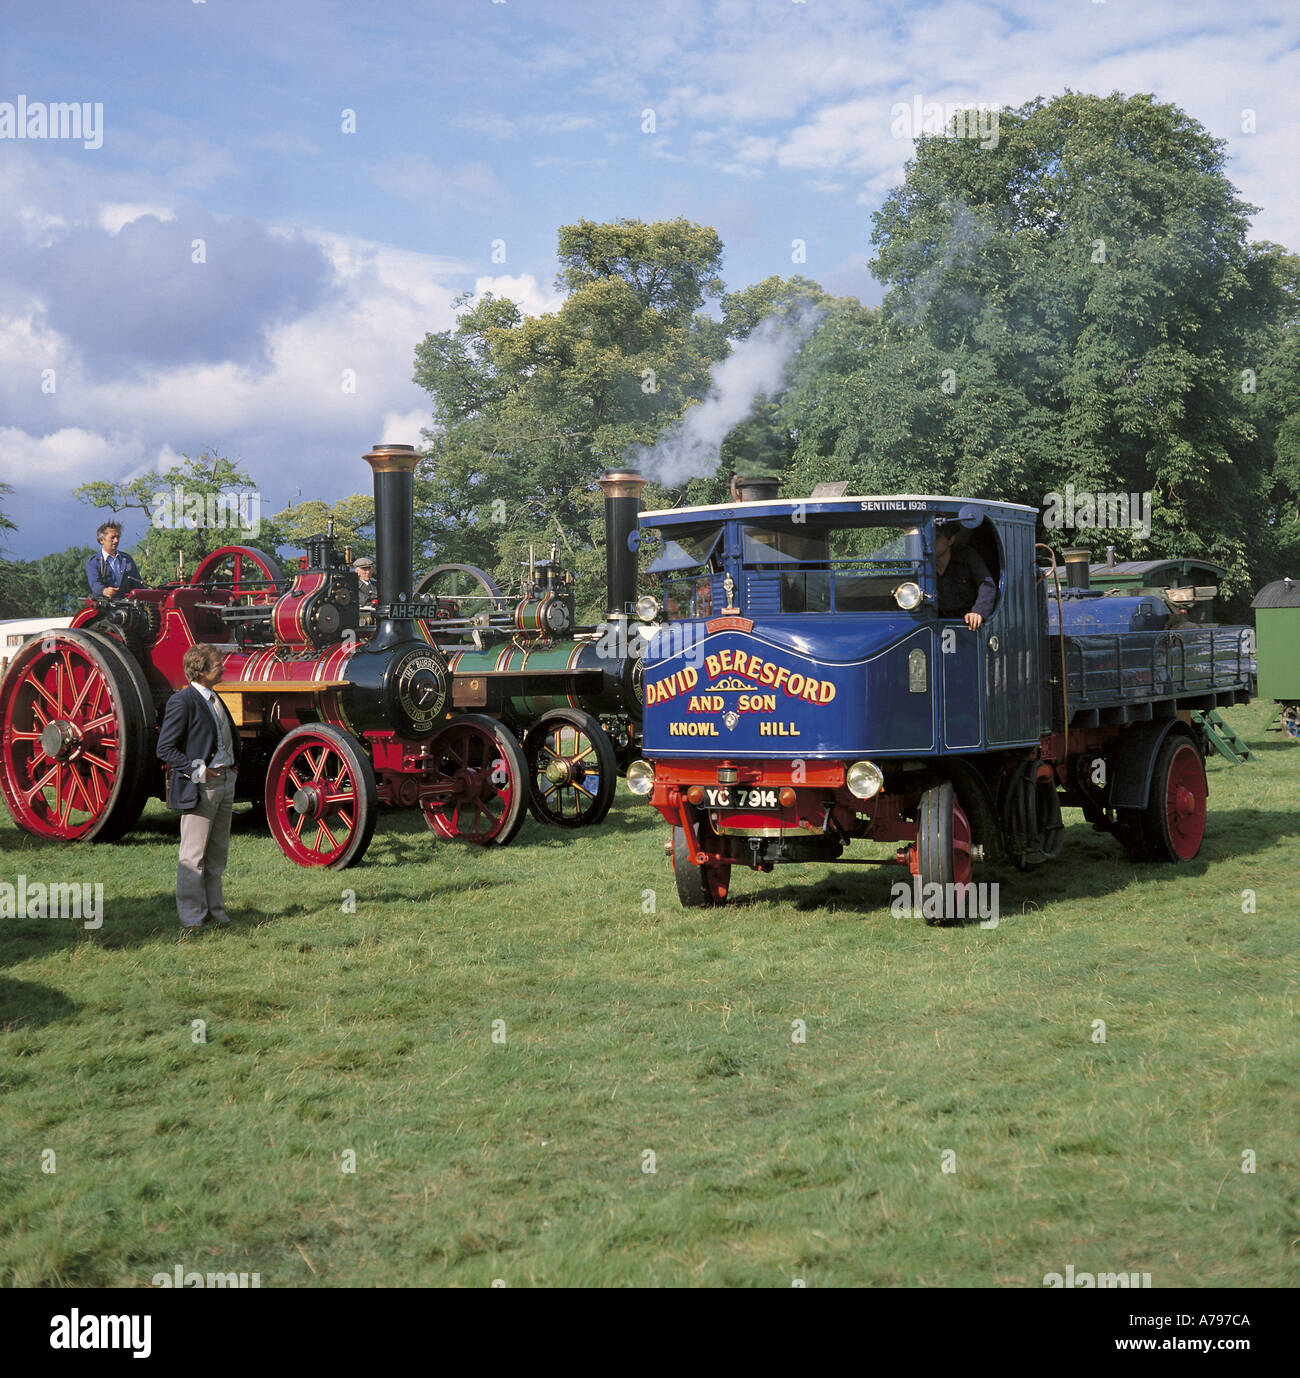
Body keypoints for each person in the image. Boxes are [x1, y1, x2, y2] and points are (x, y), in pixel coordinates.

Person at [156, 644, 240, 930]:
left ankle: (215, 912)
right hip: (202, 786)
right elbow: (165, 748)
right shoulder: (182, 701)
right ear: (201, 670)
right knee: (193, 856)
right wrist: (200, 771)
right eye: (218, 663)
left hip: (226, 783)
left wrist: (233, 766)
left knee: (217, 854)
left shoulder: (214, 697)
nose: (224, 667)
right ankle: (192, 918)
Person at [935, 524, 996, 630]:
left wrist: (978, 612)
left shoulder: (968, 557)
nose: (930, 541)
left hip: (968, 624)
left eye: (937, 537)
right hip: (939, 625)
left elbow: (986, 584)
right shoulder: (923, 565)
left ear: (951, 540)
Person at [86, 520, 146, 598]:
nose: (116, 540)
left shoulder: (127, 559)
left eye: (118, 537)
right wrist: (104, 591)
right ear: (101, 540)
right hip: (105, 607)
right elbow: (94, 583)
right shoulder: (93, 562)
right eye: (112, 537)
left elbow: (137, 583)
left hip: (128, 606)